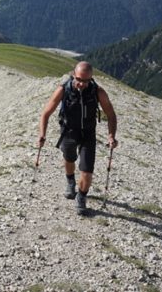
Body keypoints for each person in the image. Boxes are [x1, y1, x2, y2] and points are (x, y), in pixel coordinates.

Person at [37, 61, 118, 216]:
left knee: (87, 172)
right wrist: (42, 134)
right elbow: (46, 113)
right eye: (79, 79)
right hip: (68, 130)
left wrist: (111, 135)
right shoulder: (63, 90)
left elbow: (111, 115)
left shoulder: (98, 92)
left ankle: (81, 196)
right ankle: (70, 181)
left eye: (86, 81)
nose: (81, 84)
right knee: (69, 159)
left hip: (88, 133)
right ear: (74, 75)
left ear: (91, 79)